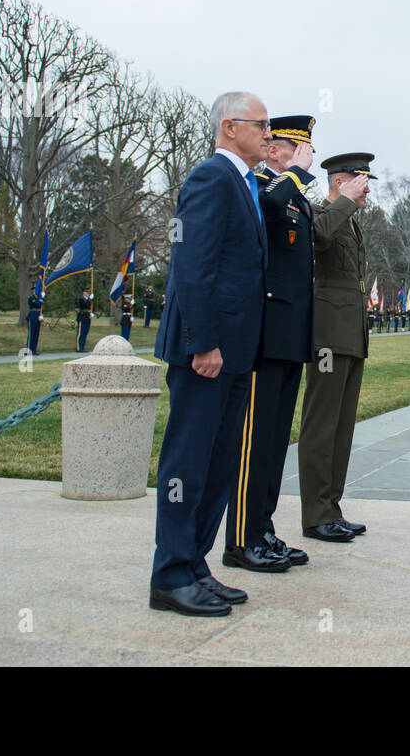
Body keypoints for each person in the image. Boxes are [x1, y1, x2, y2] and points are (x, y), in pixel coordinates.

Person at [149, 91, 271, 617]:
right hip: (208, 351)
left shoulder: (244, 183)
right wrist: (204, 343)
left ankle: (195, 566)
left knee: (219, 466)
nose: (269, 133)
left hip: (236, 353)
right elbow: (192, 268)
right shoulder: (210, 177)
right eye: (261, 124)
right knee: (188, 464)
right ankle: (170, 575)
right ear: (229, 127)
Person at [225, 115, 317, 573]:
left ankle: (262, 528)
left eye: (307, 152)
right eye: (295, 150)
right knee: (253, 442)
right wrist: (293, 175)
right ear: (274, 150)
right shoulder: (260, 185)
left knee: (276, 442)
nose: (305, 158)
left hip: (289, 337)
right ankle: (240, 538)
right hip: (263, 335)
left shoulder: (295, 197)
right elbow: (261, 211)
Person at [298, 152, 373, 543]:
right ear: (340, 183)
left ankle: (331, 509)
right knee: (321, 426)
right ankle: (315, 514)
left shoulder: (352, 224)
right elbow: (319, 237)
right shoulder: (320, 212)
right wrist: (345, 200)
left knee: (341, 428)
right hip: (328, 336)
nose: (367, 192)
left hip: (350, 336)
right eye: (361, 184)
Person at [26, 288, 44, 355]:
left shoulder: (39, 299)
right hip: (32, 317)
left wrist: (41, 317)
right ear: (32, 291)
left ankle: (34, 350)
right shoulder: (31, 298)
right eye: (34, 291)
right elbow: (37, 304)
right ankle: (28, 350)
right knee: (31, 334)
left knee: (36, 335)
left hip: (38, 317)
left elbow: (41, 308)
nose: (35, 292)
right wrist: (41, 300)